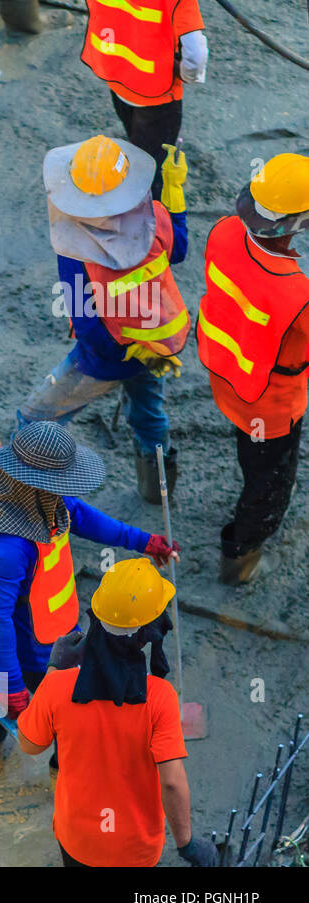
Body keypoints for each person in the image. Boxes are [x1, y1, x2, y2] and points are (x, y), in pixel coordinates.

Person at [0, 421, 178, 781]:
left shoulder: (32, 494)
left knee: (12, 699)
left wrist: (141, 541)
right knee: (61, 707)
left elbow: (78, 514)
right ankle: (33, 771)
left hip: (57, 629)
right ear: (39, 480)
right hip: (28, 648)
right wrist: (13, 681)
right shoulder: (5, 548)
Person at [17, 135, 192, 503]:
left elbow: (86, 324)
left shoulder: (74, 247)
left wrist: (119, 356)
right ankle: (157, 491)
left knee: (33, 420)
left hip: (107, 356)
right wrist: (174, 188)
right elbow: (178, 250)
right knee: (148, 414)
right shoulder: (153, 216)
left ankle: (31, 503)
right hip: (156, 343)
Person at [17, 558, 219, 867]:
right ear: (149, 632)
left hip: (77, 839)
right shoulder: (159, 698)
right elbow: (172, 782)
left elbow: (30, 745)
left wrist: (54, 671)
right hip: (134, 848)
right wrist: (187, 843)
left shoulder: (58, 686)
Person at [196, 153, 309, 584]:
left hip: (226, 378)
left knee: (252, 455)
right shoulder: (296, 293)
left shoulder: (224, 232)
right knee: (269, 486)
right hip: (273, 408)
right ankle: (241, 559)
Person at [79, 0, 207, 199]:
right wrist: (185, 75)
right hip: (156, 93)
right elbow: (195, 56)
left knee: (134, 130)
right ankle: (150, 202)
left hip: (115, 74)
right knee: (153, 159)